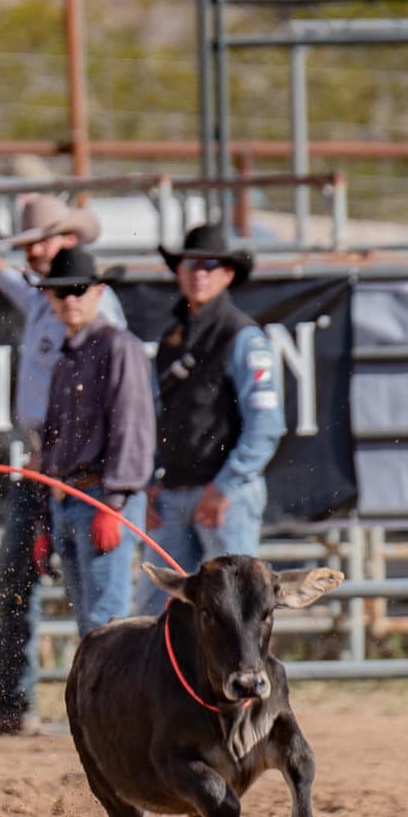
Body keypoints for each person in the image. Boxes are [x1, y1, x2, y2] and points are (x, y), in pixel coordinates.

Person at [0, 194, 126, 736]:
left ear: (69, 242)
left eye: (43, 242)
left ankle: (103, 713)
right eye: (28, 246)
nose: (34, 253)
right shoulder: (44, 298)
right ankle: (15, 703)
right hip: (45, 466)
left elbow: (117, 404)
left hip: (82, 473)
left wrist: (112, 489)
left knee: (95, 600)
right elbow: (16, 283)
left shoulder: (97, 317)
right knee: (14, 576)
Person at [136, 224, 284, 614]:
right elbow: (155, 417)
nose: (199, 273)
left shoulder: (242, 337)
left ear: (227, 274)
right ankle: (160, 677)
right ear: (179, 272)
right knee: (159, 605)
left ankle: (248, 677)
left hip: (224, 496)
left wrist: (226, 485)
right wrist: (151, 480)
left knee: (237, 607)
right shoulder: (173, 338)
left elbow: (266, 424)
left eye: (209, 265)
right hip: (174, 492)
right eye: (190, 265)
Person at [30, 248, 154, 633]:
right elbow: (52, 439)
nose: (70, 299)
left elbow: (132, 427)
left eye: (79, 289)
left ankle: (117, 695)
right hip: (71, 499)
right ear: (50, 297)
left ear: (98, 292)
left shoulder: (119, 346)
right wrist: (44, 518)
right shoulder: (69, 355)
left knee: (106, 624)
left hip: (99, 497)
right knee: (93, 623)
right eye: (61, 291)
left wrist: (114, 503)